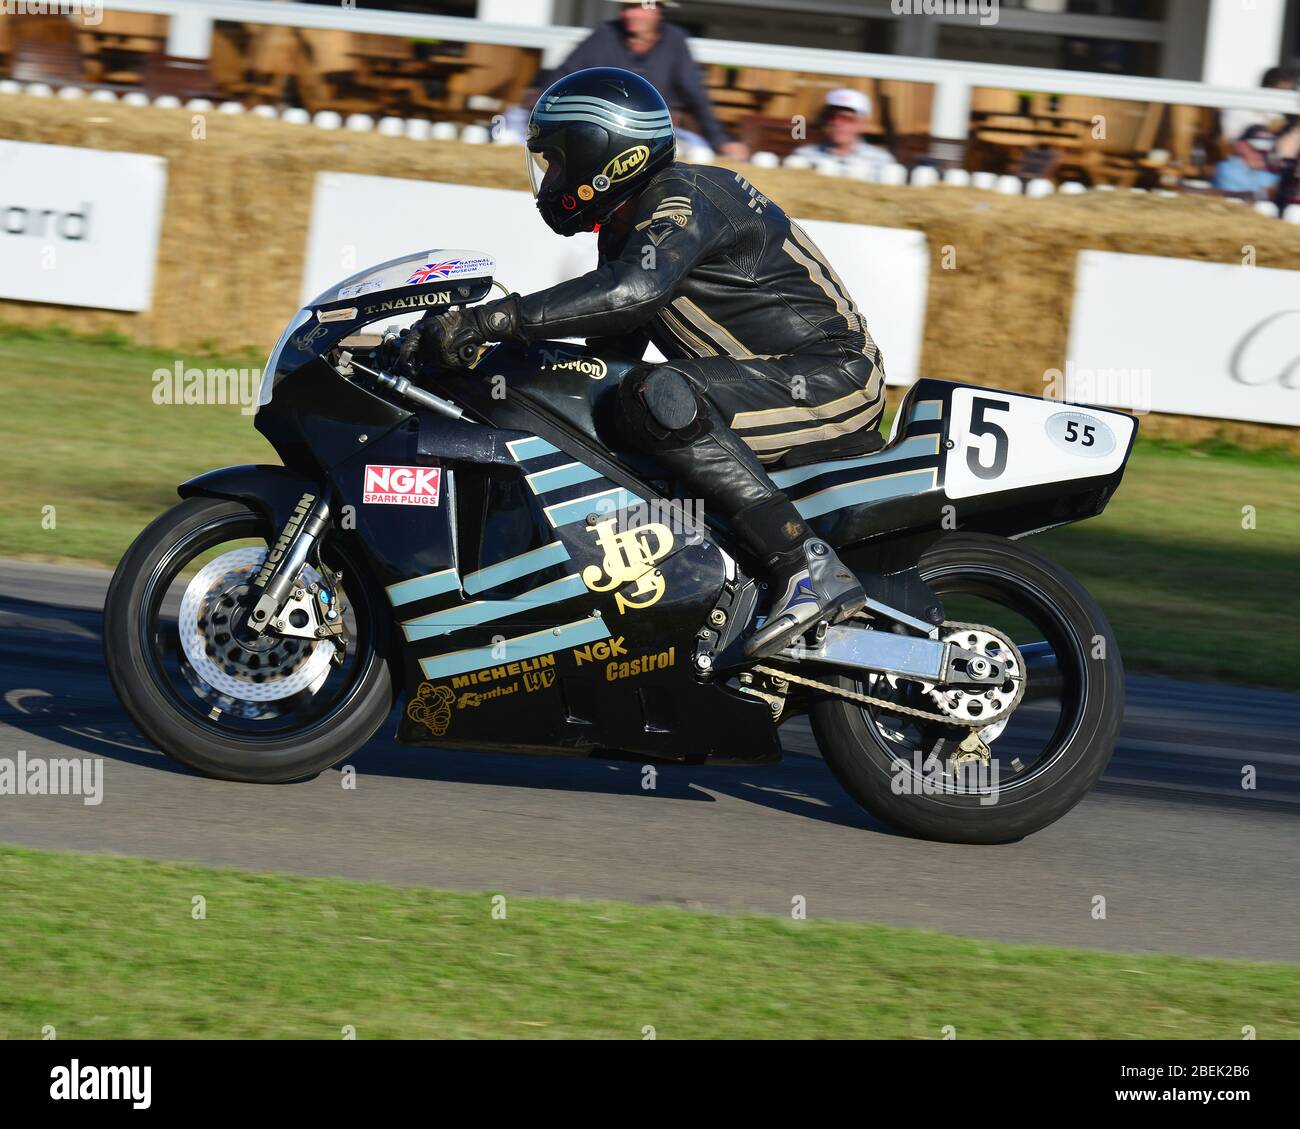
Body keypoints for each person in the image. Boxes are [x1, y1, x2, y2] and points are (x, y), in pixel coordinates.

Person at [390, 68, 885, 658]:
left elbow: (632, 293)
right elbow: (601, 363)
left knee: (656, 395)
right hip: (760, 382)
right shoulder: (628, 229)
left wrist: (491, 320)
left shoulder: (685, 197)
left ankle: (807, 565)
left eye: (554, 160)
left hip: (833, 380)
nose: (547, 178)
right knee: (610, 406)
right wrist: (478, 362)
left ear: (604, 155)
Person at [528, 0, 748, 160]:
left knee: (698, 155)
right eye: (627, 7)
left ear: (658, 10)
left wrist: (721, 141)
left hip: (659, 135)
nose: (631, 14)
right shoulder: (605, 34)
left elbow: (695, 94)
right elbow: (564, 75)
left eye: (639, 6)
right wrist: (541, 112)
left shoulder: (675, 40)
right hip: (604, 132)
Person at [793, 88, 894, 173]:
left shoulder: (881, 161)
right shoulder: (804, 156)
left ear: (861, 124)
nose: (837, 123)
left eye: (847, 119)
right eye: (831, 117)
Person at [1213, 125, 1284, 199]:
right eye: (1256, 149)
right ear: (1240, 146)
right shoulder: (1226, 169)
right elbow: (1232, 199)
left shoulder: (1270, 173)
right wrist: (1265, 194)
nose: (1262, 155)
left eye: (1267, 150)